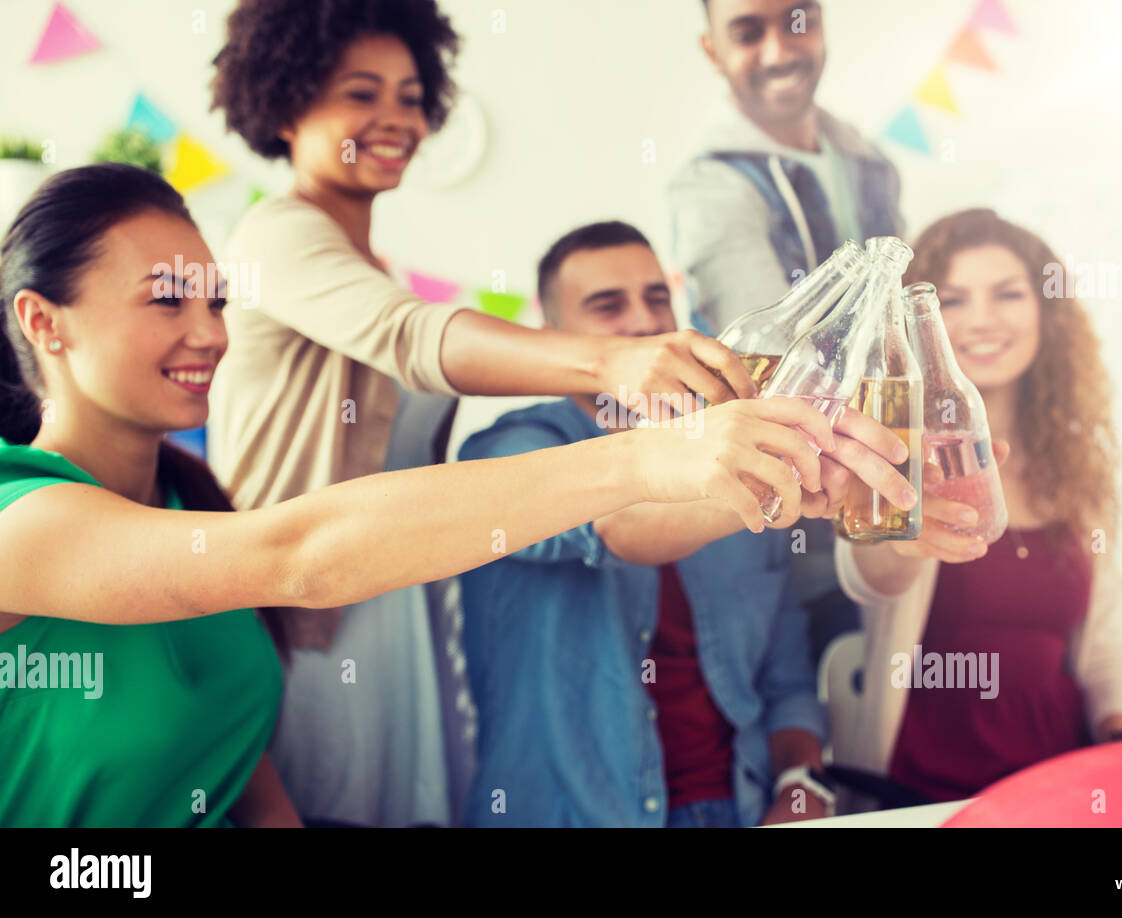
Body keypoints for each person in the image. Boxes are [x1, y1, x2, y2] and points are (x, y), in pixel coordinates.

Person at [0, 163, 840, 827]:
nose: (211, 332)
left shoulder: (191, 509)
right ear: (44, 322)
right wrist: (654, 458)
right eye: (167, 301)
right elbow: (295, 557)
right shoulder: (19, 521)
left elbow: (236, 774)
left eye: (218, 301)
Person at [207, 0, 776, 827]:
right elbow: (411, 338)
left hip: (394, 605)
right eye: (362, 94)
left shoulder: (368, 263)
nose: (396, 118)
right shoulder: (275, 235)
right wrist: (612, 358)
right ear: (287, 98)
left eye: (410, 95)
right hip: (301, 617)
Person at [457, 221, 917, 827]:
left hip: (738, 808)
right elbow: (619, 528)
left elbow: (785, 678)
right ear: (555, 336)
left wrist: (802, 788)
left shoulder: (740, 443)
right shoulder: (510, 450)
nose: (646, 323)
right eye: (607, 306)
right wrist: (775, 481)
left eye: (656, 297)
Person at [835, 209, 1122, 806]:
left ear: (1046, 314)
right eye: (951, 300)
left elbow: (1106, 644)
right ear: (913, 322)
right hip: (922, 797)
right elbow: (867, 581)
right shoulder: (890, 440)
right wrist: (905, 530)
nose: (982, 320)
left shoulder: (1079, 468)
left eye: (1007, 294)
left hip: (1060, 791)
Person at [669, 0, 907, 649]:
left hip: (888, 504)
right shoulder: (712, 186)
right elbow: (780, 370)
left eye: (796, 20)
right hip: (784, 533)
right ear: (712, 50)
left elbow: (905, 320)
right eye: (748, 31)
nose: (779, 49)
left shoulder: (870, 162)